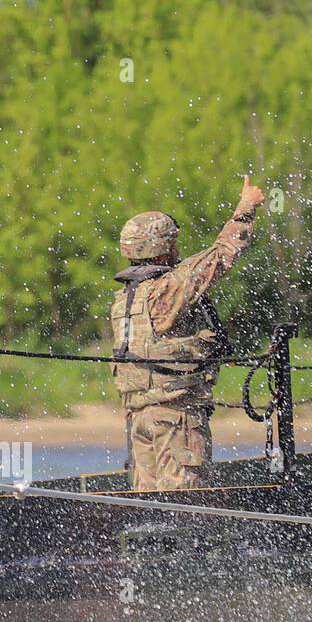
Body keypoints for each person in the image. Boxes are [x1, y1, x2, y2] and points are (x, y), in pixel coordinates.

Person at [110, 176, 264, 490]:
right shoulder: (166, 290)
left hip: (139, 420)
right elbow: (220, 256)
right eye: (173, 243)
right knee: (185, 506)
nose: (177, 249)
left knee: (148, 512)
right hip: (174, 419)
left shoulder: (125, 299)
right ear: (162, 248)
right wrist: (245, 210)